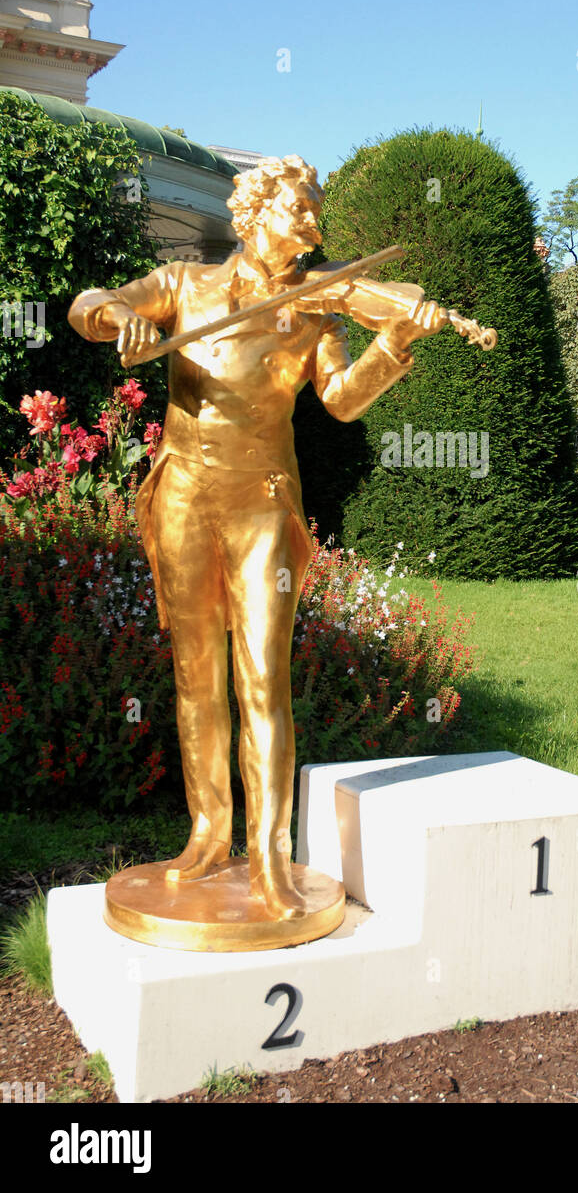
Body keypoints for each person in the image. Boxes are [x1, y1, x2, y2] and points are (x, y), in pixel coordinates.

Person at [68, 155, 445, 918]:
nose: (312, 230)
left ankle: (271, 856)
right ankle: (209, 834)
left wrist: (394, 345)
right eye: (300, 213)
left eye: (314, 217)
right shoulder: (184, 285)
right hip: (182, 497)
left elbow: (340, 403)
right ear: (255, 214)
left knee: (264, 680)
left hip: (264, 506)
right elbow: (86, 304)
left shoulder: (314, 312)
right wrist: (121, 317)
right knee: (194, 673)